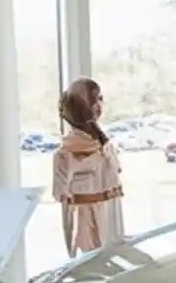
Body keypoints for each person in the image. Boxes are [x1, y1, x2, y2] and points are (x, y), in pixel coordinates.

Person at [53, 77, 126, 258]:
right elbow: (60, 193)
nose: (101, 104)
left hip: (110, 215)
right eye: (97, 99)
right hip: (84, 223)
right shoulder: (65, 154)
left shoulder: (104, 144)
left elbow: (115, 173)